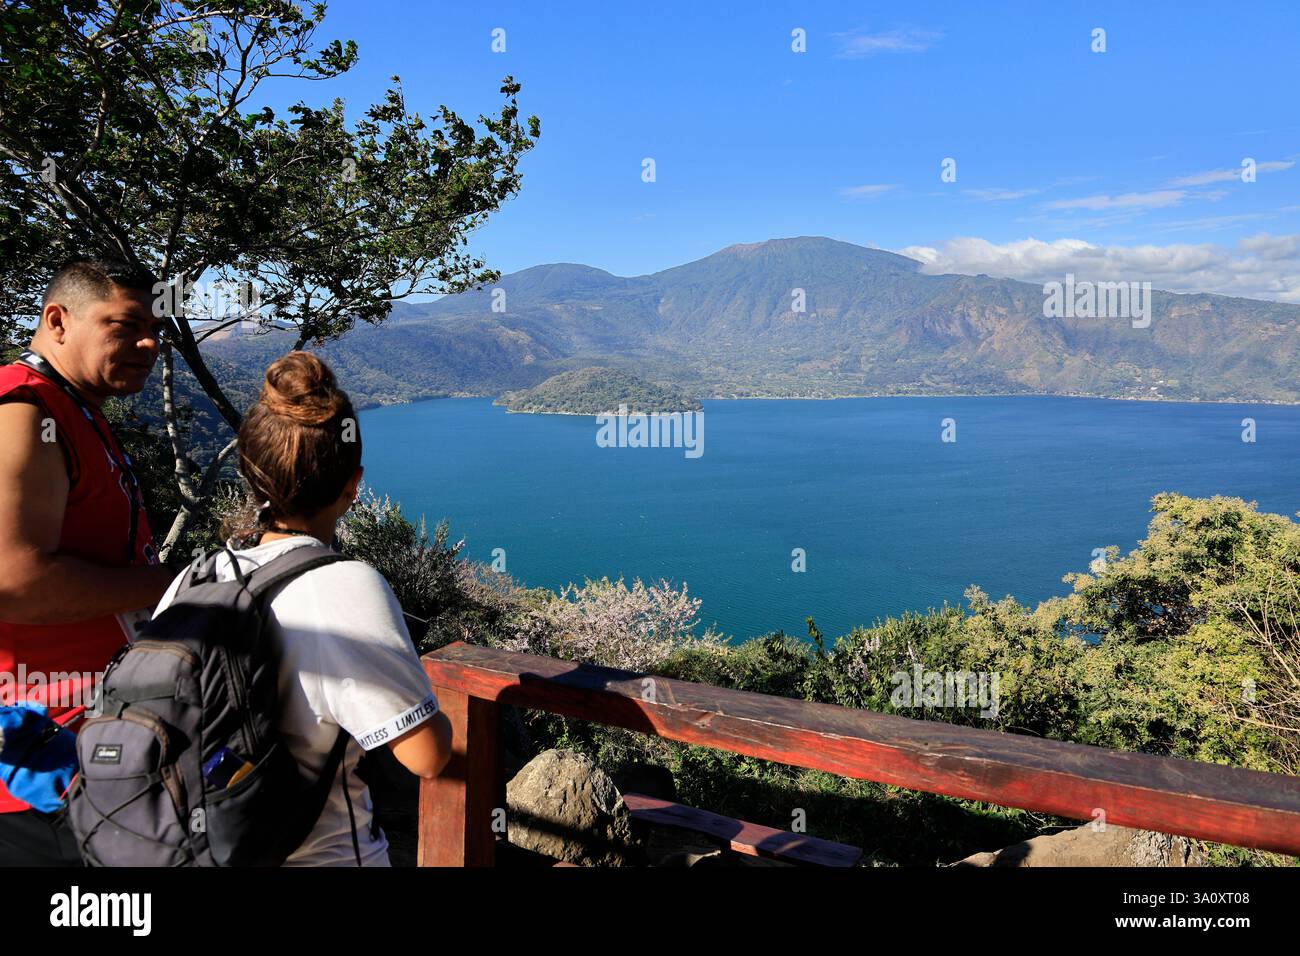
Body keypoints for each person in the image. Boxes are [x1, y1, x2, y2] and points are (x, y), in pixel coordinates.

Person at [152, 350, 452, 866]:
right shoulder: (346, 586)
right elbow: (426, 756)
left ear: (249, 475)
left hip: (196, 850)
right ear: (353, 485)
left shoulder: (195, 577)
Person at [0, 257, 173, 865]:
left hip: (91, 749)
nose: (149, 343)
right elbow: (14, 582)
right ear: (58, 320)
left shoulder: (74, 410)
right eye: (125, 326)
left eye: (156, 329)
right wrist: (173, 584)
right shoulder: (25, 410)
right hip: (38, 764)